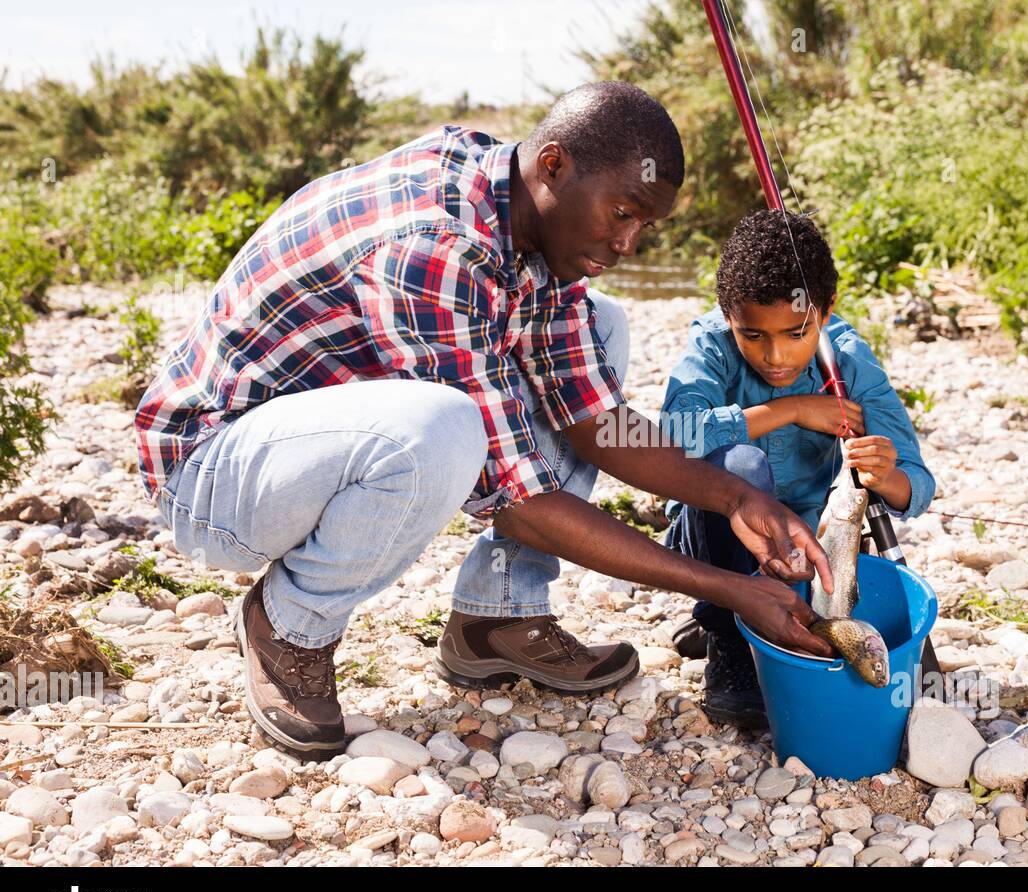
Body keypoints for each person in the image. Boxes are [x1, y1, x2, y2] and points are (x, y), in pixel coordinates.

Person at [134, 82, 834, 761]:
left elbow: (595, 422)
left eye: (645, 225)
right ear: (554, 163)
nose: (628, 244)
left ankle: (496, 616)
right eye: (623, 212)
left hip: (315, 444)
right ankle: (289, 625)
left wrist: (738, 496)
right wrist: (727, 588)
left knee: (604, 326)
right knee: (444, 429)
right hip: (217, 477)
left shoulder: (534, 220)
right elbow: (520, 501)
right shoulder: (437, 245)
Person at [660, 209, 937, 728]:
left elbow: (918, 485)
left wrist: (887, 475)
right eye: (754, 335)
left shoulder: (849, 361)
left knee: (820, 609)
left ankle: (760, 623)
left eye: (796, 332)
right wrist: (790, 408)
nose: (777, 355)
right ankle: (727, 637)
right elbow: (673, 431)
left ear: (826, 311)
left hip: (805, 548)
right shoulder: (711, 346)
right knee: (739, 464)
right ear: (727, 316)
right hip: (709, 537)